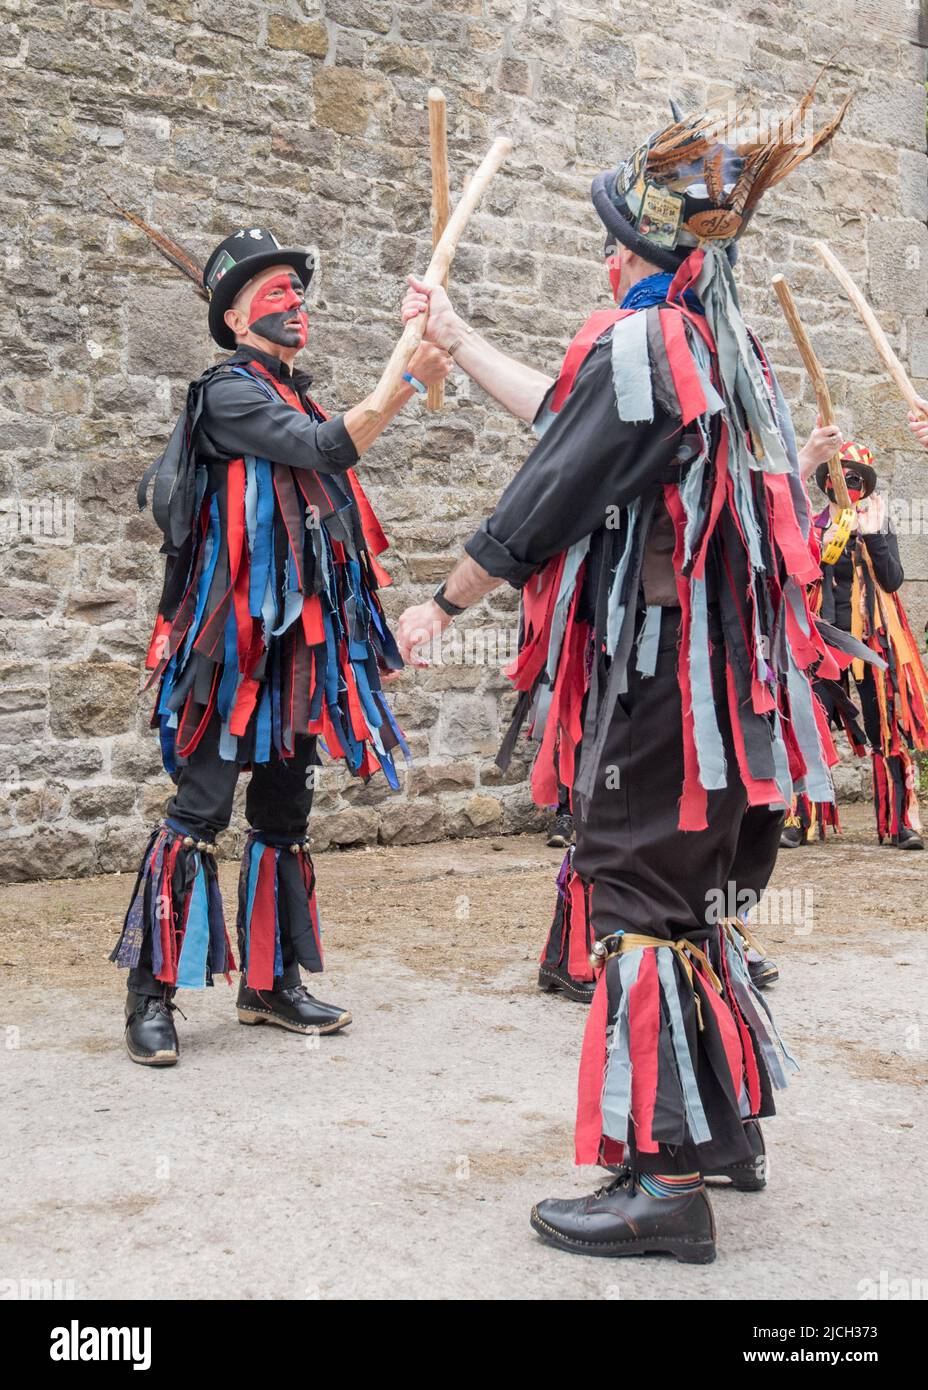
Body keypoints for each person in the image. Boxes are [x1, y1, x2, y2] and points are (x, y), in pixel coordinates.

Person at [395, 83, 848, 1261]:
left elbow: (546, 493)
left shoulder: (647, 342)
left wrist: (443, 603)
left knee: (639, 904)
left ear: (635, 248)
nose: (600, 253)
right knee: (694, 907)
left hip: (667, 693)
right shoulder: (717, 345)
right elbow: (574, 427)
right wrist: (453, 341)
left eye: (608, 233)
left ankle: (659, 1184)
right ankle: (722, 1134)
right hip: (733, 701)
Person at [110, 224, 451, 1066]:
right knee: (199, 812)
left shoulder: (290, 392)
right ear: (231, 320)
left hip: (302, 651)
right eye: (272, 292)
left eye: (296, 291)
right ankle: (150, 994)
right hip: (231, 651)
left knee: (285, 814)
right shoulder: (227, 394)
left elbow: (332, 455)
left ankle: (270, 982)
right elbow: (326, 448)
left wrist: (413, 367)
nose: (294, 301)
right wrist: (407, 381)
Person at [781, 433, 928, 848]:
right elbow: (795, 576)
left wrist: (874, 535)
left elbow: (893, 579)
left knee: (887, 727)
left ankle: (901, 823)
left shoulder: (878, 522)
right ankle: (799, 819)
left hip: (873, 644)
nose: (844, 485)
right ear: (826, 482)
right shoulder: (813, 524)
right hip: (822, 646)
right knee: (807, 723)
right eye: (836, 477)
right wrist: (822, 547)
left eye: (853, 477)